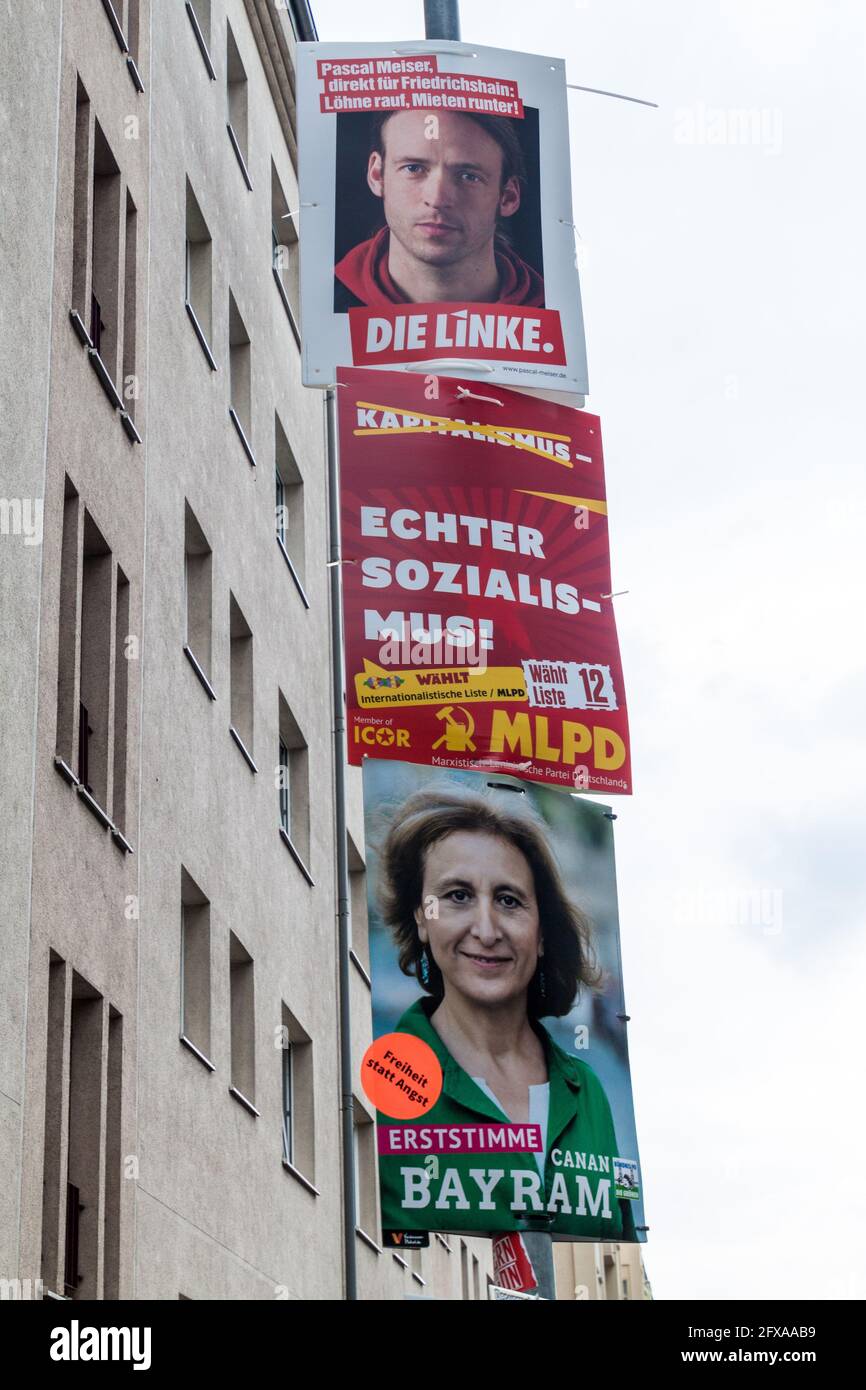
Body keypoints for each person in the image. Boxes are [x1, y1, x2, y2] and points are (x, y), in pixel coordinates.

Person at [374, 786, 638, 1240]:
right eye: (457, 896)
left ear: (540, 932)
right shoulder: (385, 1080)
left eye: (509, 900)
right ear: (421, 916)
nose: (486, 930)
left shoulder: (588, 1090)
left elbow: (622, 1231)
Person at [334, 109, 545, 311]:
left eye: (468, 176)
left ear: (508, 197)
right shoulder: (322, 305)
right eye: (413, 168)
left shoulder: (556, 319)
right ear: (377, 175)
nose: (437, 199)